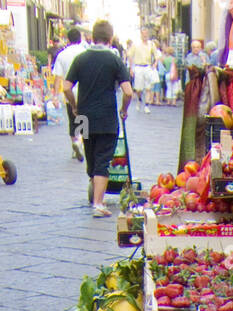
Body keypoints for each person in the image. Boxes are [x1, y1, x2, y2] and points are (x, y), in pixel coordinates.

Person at [64, 20, 133, 218]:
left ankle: (94, 187)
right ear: (110, 39)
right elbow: (128, 92)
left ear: (92, 37)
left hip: (83, 115)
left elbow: (66, 87)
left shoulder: (81, 59)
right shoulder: (114, 60)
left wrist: (74, 105)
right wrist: (124, 109)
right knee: (103, 160)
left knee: (91, 156)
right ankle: (98, 203)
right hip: (106, 116)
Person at [52, 27, 90, 162]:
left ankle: (75, 142)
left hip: (69, 91)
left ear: (68, 39)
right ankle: (81, 142)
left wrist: (55, 96)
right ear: (80, 39)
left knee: (72, 118)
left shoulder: (62, 54)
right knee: (83, 118)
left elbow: (58, 77)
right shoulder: (86, 53)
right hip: (85, 90)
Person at [132, 27, 158, 112]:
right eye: (143, 34)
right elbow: (130, 55)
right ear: (141, 35)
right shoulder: (136, 44)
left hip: (147, 66)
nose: (145, 35)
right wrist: (131, 68)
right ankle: (139, 99)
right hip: (138, 67)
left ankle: (146, 105)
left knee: (148, 87)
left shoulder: (151, 44)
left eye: (146, 34)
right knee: (138, 88)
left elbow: (156, 55)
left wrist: (155, 64)